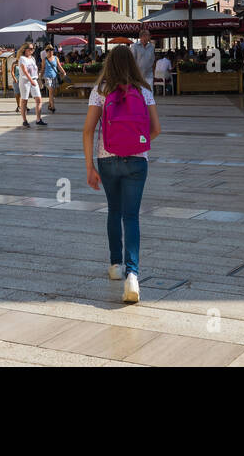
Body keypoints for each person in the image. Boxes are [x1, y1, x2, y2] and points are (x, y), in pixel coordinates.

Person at [83, 46, 161, 304]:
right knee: (131, 216)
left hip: (107, 160)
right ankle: (133, 275)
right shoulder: (144, 90)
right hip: (137, 162)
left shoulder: (100, 91)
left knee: (114, 211)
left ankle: (116, 264)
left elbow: (88, 130)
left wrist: (89, 167)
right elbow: (156, 129)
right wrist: (138, 143)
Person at [17, 42, 46, 127]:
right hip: (25, 81)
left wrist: (37, 78)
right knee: (24, 100)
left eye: (33, 48)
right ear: (25, 49)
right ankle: (25, 120)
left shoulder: (32, 58)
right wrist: (31, 80)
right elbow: (24, 70)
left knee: (39, 99)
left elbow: (35, 69)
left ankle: (38, 119)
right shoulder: (22, 58)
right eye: (30, 48)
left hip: (34, 79)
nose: (32, 50)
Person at [41, 45, 65, 113]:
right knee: (51, 90)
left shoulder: (56, 58)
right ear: (46, 51)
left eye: (51, 50)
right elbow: (43, 69)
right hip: (47, 77)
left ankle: (49, 105)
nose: (50, 51)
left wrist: (64, 72)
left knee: (52, 93)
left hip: (54, 77)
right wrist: (40, 78)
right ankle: (53, 106)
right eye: (48, 50)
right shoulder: (44, 60)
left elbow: (59, 67)